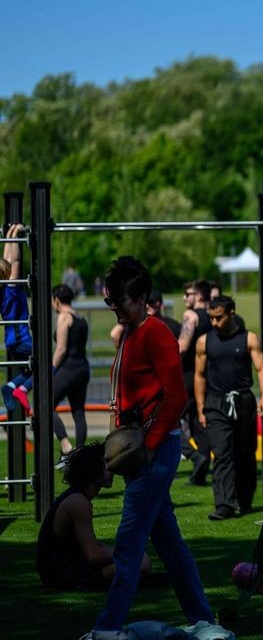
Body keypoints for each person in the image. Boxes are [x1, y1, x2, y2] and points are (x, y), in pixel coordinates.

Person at [91, 256, 219, 639]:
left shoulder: (155, 332)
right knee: (169, 543)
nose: (114, 307)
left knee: (129, 543)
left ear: (142, 298)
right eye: (110, 301)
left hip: (154, 452)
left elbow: (175, 394)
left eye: (121, 301)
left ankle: (107, 627)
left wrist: (147, 445)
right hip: (141, 452)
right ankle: (203, 619)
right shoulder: (131, 332)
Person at [194, 295, 263, 520]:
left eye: (218, 318)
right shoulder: (204, 341)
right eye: (211, 318)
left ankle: (244, 498)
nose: (214, 322)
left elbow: (262, 368)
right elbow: (199, 375)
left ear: (231, 313)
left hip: (243, 401)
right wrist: (200, 407)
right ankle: (224, 505)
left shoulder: (249, 339)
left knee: (245, 453)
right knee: (222, 453)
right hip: (215, 402)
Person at [38, 443, 151, 589]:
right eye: (105, 466)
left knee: (138, 561)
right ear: (91, 471)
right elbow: (93, 555)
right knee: (141, 565)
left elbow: (92, 546)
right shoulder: (78, 503)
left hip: (63, 569)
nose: (111, 470)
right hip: (62, 575)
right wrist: (129, 553)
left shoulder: (77, 497)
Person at [178, 280, 214, 486]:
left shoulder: (190, 316)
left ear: (199, 296)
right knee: (198, 423)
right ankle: (201, 471)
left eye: (188, 294)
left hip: (188, 375)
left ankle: (194, 456)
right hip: (206, 375)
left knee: (167, 420)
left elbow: (182, 346)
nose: (185, 298)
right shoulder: (213, 316)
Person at [48, 285, 91, 457]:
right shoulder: (80, 317)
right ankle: (80, 454)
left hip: (69, 368)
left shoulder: (64, 317)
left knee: (45, 405)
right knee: (78, 412)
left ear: (56, 300)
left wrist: (50, 370)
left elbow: (61, 349)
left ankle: (66, 446)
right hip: (83, 369)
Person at [1, 223, 34, 415]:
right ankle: (21, 390)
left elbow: (7, 259)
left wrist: (10, 233)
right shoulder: (12, 289)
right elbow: (14, 262)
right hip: (22, 339)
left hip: (11, 341)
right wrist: (16, 235)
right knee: (47, 365)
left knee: (31, 369)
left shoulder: (2, 289)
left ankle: (11, 386)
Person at [110, 289, 180, 347]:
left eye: (151, 302)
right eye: (145, 302)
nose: (147, 306)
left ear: (161, 305)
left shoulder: (172, 326)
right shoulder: (136, 324)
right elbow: (114, 333)